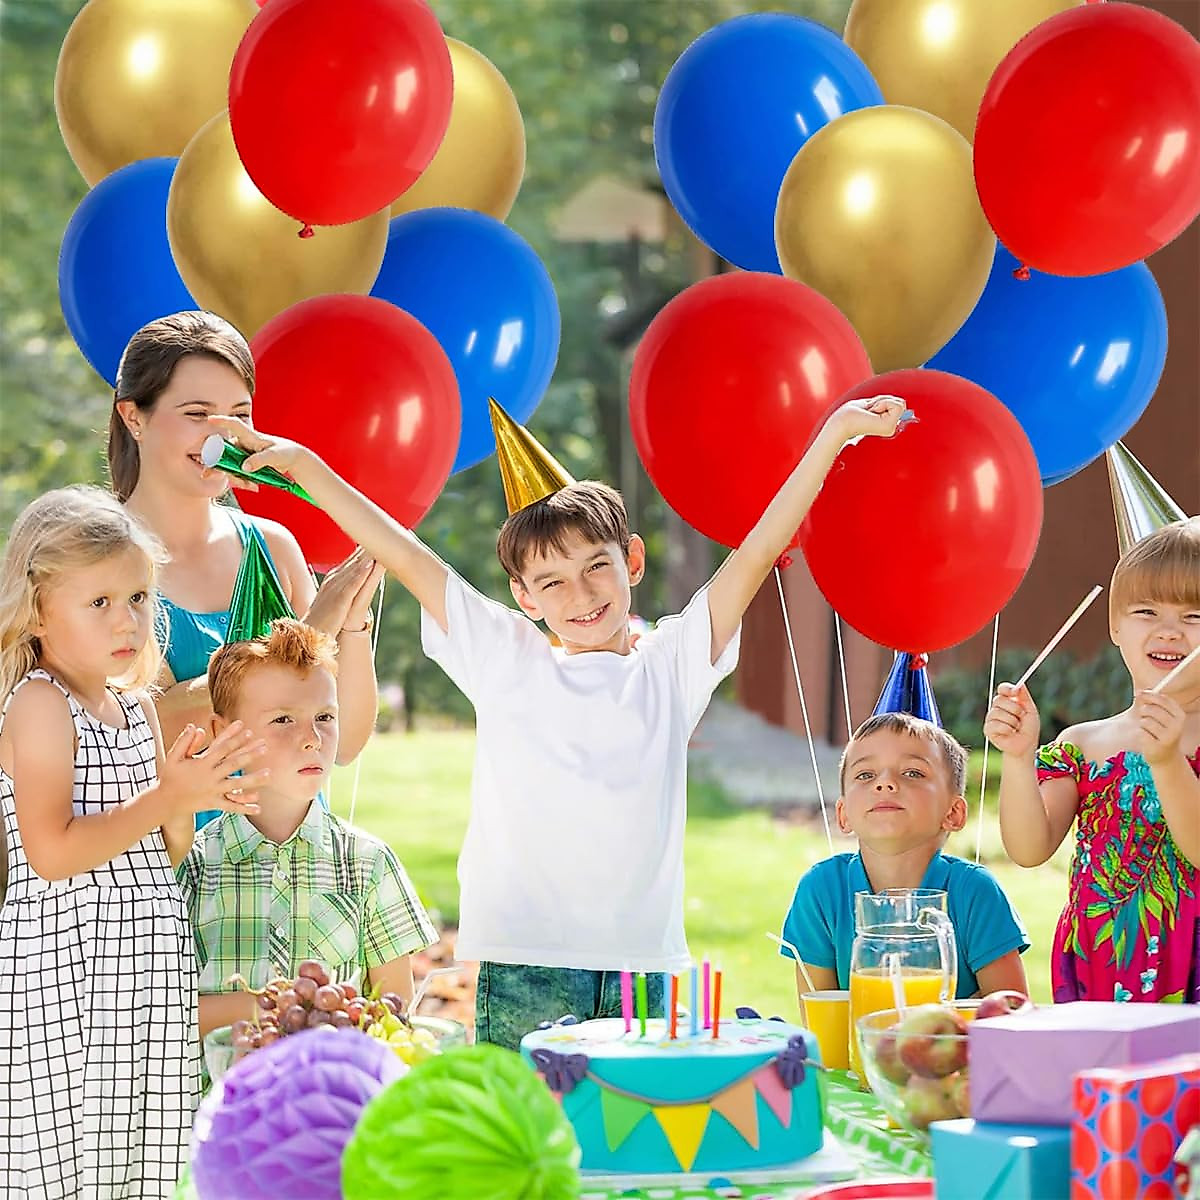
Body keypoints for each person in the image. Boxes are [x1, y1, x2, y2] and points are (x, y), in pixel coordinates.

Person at [206, 394, 906, 1049]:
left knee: (636, 1158)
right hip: (524, 964)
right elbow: (401, 551)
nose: (581, 594)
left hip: (642, 970)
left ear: (631, 560)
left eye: (596, 567)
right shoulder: (505, 656)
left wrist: (835, 434)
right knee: (529, 1164)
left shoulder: (671, 664)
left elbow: (756, 553)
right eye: (551, 582)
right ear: (523, 596)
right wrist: (305, 467)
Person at [0, 486, 268, 1198]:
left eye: (141, 598)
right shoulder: (38, 704)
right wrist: (166, 797)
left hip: (145, 974)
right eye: (100, 603)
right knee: (65, 1168)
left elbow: (156, 855)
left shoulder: (132, 710)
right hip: (68, 981)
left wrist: (191, 799)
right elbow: (52, 854)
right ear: (37, 609)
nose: (128, 620)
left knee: (141, 1167)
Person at [108, 310, 382, 827]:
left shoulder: (275, 547)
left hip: (296, 874)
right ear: (134, 417)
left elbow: (344, 744)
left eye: (240, 413)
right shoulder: (106, 563)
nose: (223, 436)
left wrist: (352, 624)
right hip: (185, 880)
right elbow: (144, 734)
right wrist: (313, 630)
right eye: (196, 413)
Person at [178, 619, 437, 1037]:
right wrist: (267, 1007)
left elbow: (394, 1019)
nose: (312, 738)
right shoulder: (191, 866)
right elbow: (166, 1013)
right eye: (283, 720)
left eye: (324, 716)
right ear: (223, 733)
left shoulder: (368, 863)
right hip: (222, 1098)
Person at [985, 517, 1200, 1003]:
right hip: (1101, 968)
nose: (1169, 632)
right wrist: (1019, 760)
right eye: (1147, 611)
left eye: (1195, 617)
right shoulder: (1084, 744)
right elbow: (1029, 847)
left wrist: (1166, 762)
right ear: (1115, 626)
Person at [780, 712, 1029, 1003]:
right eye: (865, 775)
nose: (884, 784)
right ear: (843, 814)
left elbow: (1011, 1013)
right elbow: (821, 1017)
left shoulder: (974, 891)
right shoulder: (821, 890)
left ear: (953, 813)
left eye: (912, 773)